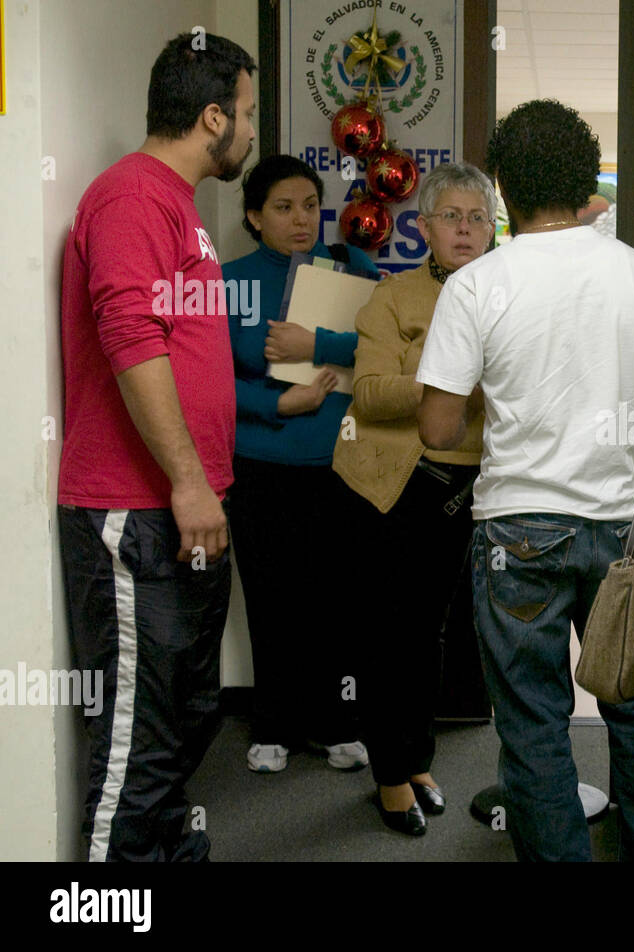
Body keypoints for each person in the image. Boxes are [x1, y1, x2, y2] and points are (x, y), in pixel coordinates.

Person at [415, 100, 634, 861]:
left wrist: (500, 400)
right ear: (583, 175)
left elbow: (437, 431)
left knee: (534, 724)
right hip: (620, 530)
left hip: (517, 533)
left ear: (502, 185)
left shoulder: (474, 287)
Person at [58, 32, 257, 861]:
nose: (250, 131)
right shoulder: (134, 198)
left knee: (183, 718)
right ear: (211, 116)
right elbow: (131, 336)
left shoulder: (179, 204)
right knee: (134, 753)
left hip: (185, 510)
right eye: (245, 114)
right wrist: (186, 483)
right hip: (138, 514)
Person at [332, 162, 494, 835]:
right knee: (387, 636)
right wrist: (449, 373)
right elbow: (368, 394)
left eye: (477, 217)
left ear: (493, 229)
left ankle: (417, 759)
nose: (465, 228)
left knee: (431, 638)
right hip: (392, 486)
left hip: (472, 491)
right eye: (451, 217)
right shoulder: (393, 297)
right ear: (423, 227)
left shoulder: (509, 293)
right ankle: (390, 775)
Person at [222, 154, 379, 774]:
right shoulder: (227, 281)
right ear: (254, 216)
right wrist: (278, 400)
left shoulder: (350, 265)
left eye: (311, 206)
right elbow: (206, 385)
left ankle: (338, 723)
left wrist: (318, 345)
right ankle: (274, 724)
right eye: (283, 208)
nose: (301, 220)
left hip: (341, 463)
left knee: (339, 599)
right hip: (261, 465)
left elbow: (387, 346)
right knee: (272, 599)